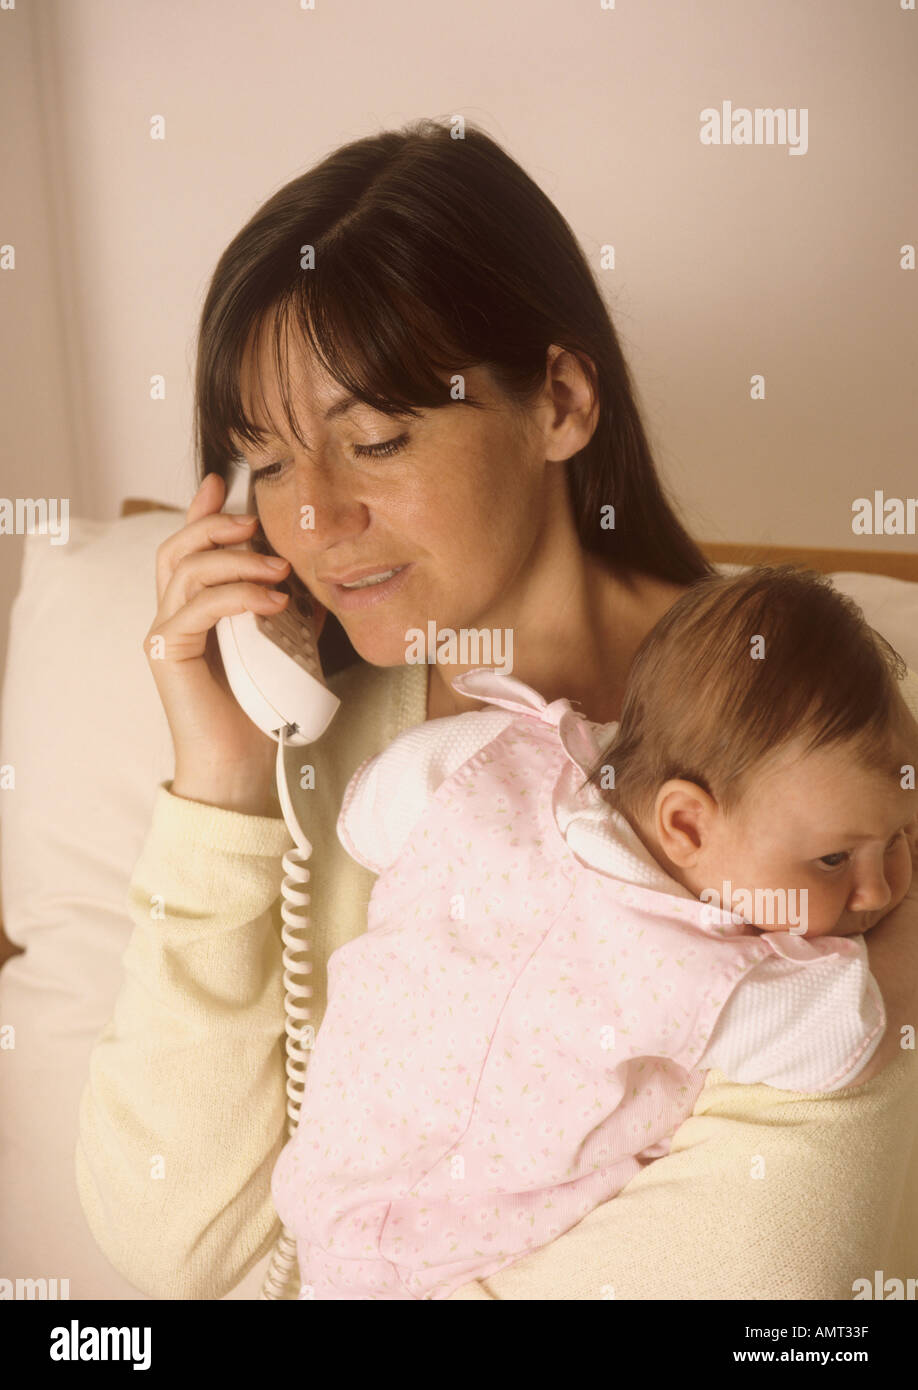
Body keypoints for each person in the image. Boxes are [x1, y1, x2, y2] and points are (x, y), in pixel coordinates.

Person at [75, 118, 918, 1300]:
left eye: (374, 439)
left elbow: (772, 1262)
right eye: (266, 463)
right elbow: (179, 1245)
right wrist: (220, 798)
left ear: (561, 401)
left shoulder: (854, 754)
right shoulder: (316, 759)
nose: (311, 521)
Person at [271, 566, 918, 1299]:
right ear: (685, 823)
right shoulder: (709, 978)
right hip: (440, 1271)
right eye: (834, 858)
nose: (883, 886)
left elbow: (367, 817)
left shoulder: (496, 756)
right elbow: (856, 1035)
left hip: (322, 1206)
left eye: (903, 837)